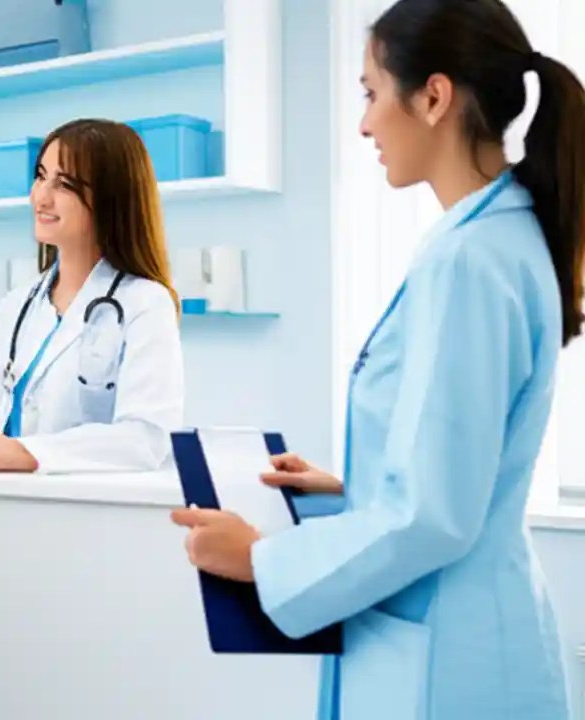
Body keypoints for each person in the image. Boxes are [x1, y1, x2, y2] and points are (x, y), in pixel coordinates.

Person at [171, 1, 584, 718]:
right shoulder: (497, 240)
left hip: (454, 657)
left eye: (369, 92)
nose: (363, 124)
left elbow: (434, 518)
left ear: (432, 97)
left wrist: (260, 559)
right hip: (464, 630)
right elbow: (460, 477)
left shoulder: (470, 259)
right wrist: (347, 488)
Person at [0, 118, 184, 473]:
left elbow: (144, 438)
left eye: (64, 184)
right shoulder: (17, 305)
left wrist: (25, 453)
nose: (40, 196)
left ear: (112, 198)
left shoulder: (144, 303)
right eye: (40, 176)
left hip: (81, 509)